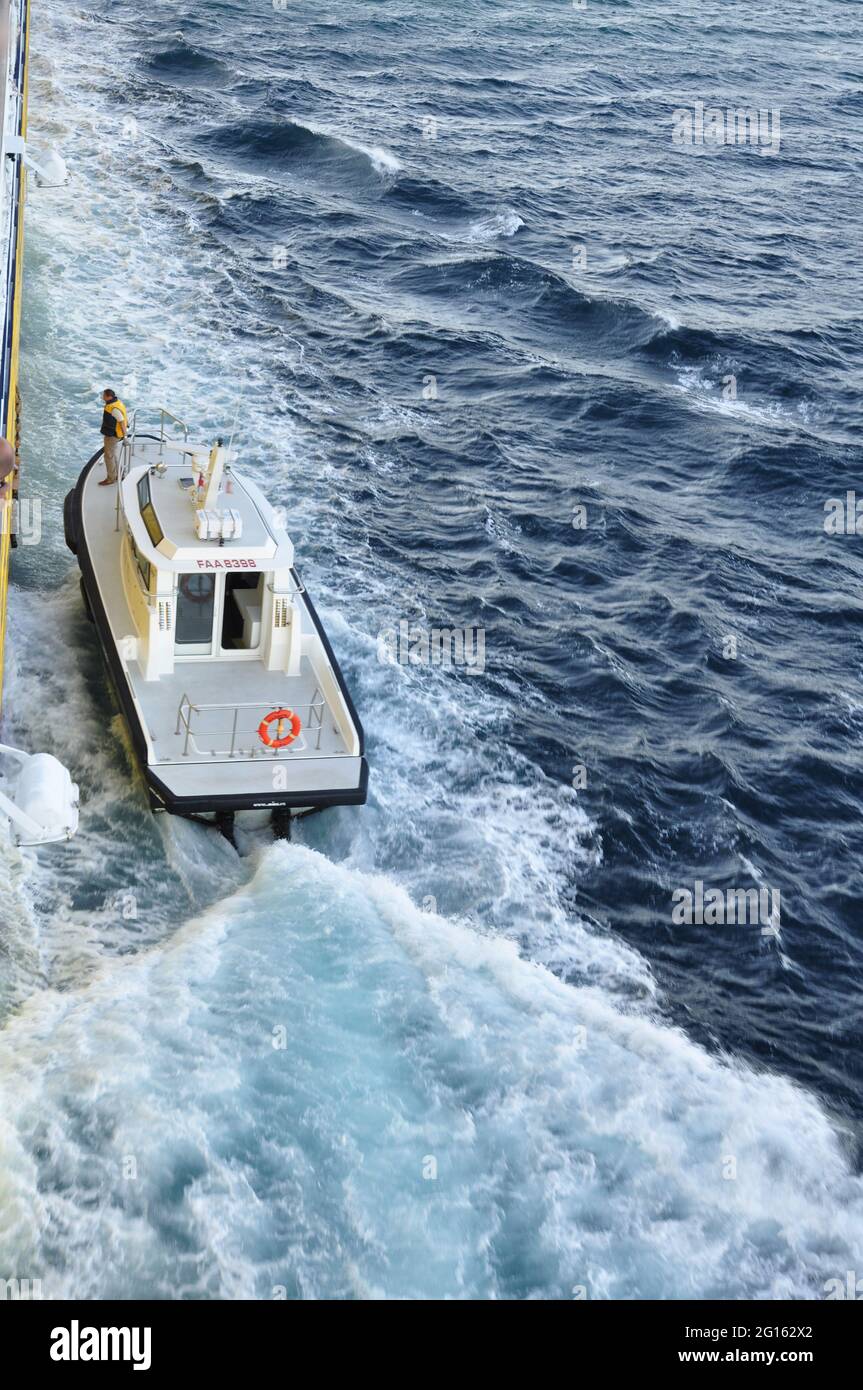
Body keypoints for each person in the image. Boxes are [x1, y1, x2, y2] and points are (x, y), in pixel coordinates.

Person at [99, 388, 128, 485]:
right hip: (114, 434)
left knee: (108, 456)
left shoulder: (114, 408)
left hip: (113, 435)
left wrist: (125, 436)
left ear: (109, 396)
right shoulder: (116, 403)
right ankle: (118, 474)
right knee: (112, 454)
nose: (102, 396)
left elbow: (122, 422)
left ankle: (111, 478)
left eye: (104, 395)